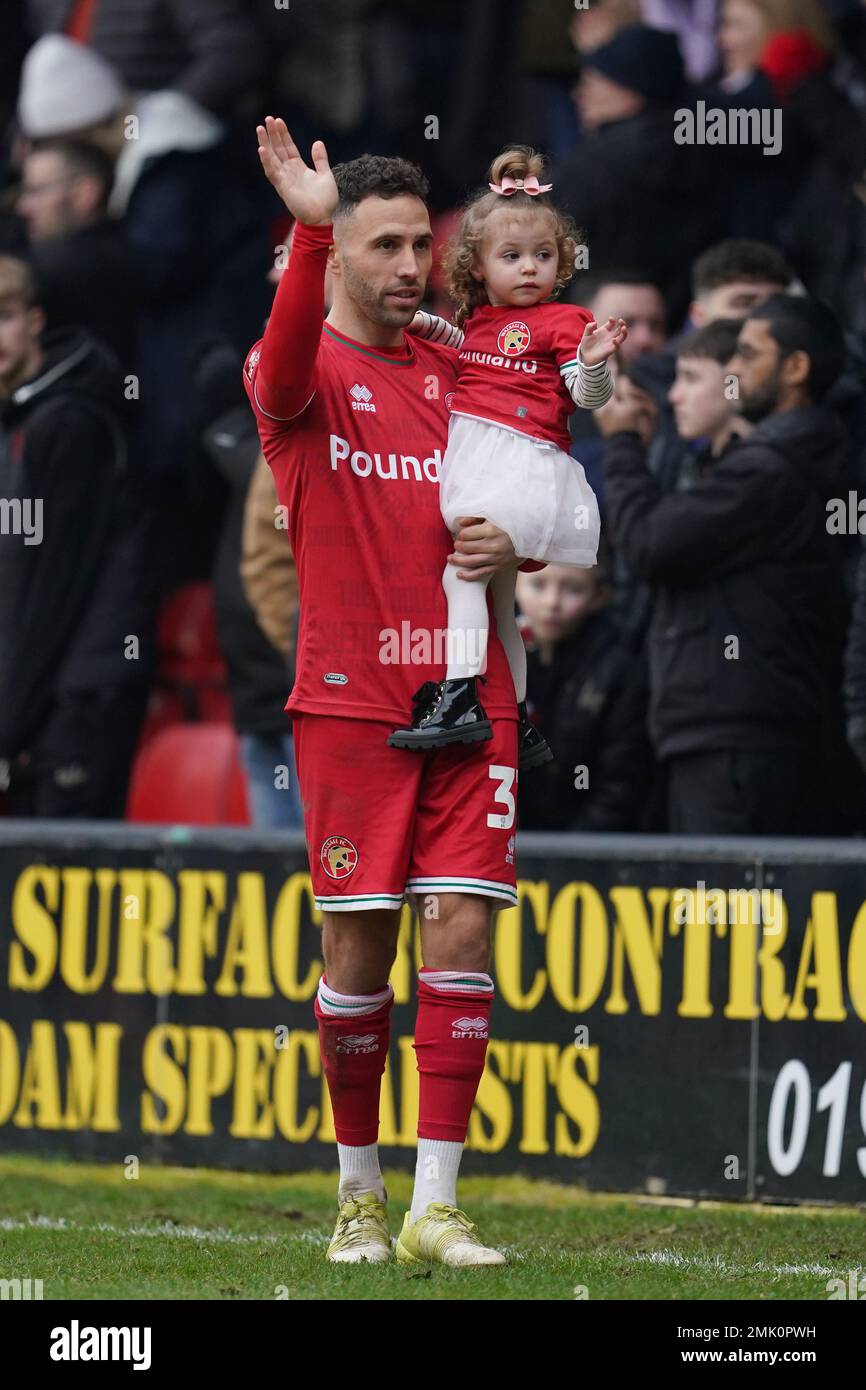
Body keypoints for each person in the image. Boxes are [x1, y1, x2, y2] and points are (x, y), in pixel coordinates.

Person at [244, 117, 539, 1267]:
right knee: (357, 954)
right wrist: (310, 239)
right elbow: (275, 366)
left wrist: (513, 540)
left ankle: (434, 1203)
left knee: (460, 924)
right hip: (351, 701)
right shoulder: (301, 372)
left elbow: (546, 492)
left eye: (419, 242)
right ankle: (356, 1194)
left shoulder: (463, 366)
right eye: (382, 246)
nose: (409, 264)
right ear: (336, 252)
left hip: (473, 690)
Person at [387, 145, 623, 761]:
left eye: (543, 257)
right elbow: (457, 344)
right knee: (497, 598)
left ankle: (460, 692)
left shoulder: (565, 321)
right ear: (477, 267)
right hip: (482, 459)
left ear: (562, 264)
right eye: (511, 257)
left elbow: (587, 396)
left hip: (521, 461)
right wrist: (406, 319)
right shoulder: (482, 323)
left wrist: (595, 366)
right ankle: (517, 714)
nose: (529, 269)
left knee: (460, 572)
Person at [601, 294, 854, 834]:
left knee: (732, 914)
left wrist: (621, 444)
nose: (733, 370)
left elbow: (651, 543)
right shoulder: (786, 458)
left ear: (796, 368)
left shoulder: (770, 470)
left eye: (746, 355)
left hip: (741, 742)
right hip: (746, 737)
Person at [0, 255, 154, 816]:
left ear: (35, 320)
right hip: (40, 696)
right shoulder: (19, 422)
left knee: (65, 885)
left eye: (5, 316)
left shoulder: (70, 423)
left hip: (79, 697)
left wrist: (9, 726)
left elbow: (52, 590)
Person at [515, 558, 654, 831]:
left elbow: (622, 782)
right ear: (514, 585)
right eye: (538, 585)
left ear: (599, 595)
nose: (552, 602)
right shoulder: (499, 659)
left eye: (573, 590)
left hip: (591, 846)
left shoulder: (619, 670)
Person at [16, 137, 138, 364]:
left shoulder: (66, 266)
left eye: (37, 191)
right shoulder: (121, 245)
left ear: (85, 194)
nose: (23, 207)